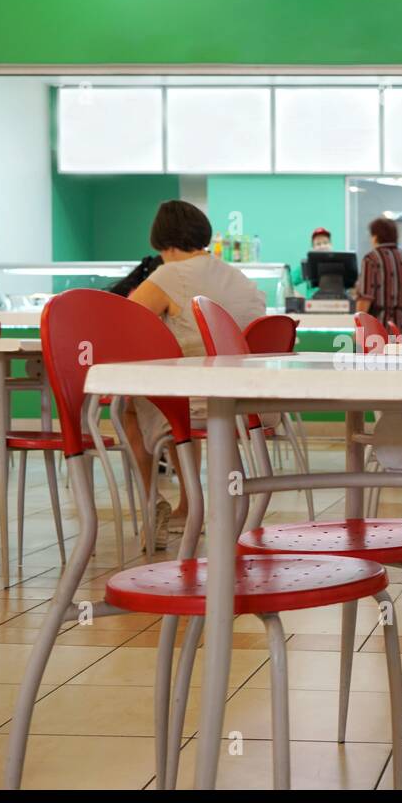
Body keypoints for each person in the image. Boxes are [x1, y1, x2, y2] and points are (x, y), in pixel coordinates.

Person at [123, 200, 265, 548]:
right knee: (172, 402)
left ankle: (151, 501)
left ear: (161, 241)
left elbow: (124, 319)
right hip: (249, 399)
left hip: (199, 397)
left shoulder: (170, 274)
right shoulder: (236, 275)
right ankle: (189, 504)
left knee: (129, 404)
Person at [354, 216, 402, 333]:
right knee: (400, 352)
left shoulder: (371, 259)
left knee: (375, 352)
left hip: (378, 327)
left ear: (375, 237)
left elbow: (365, 297)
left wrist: (358, 327)